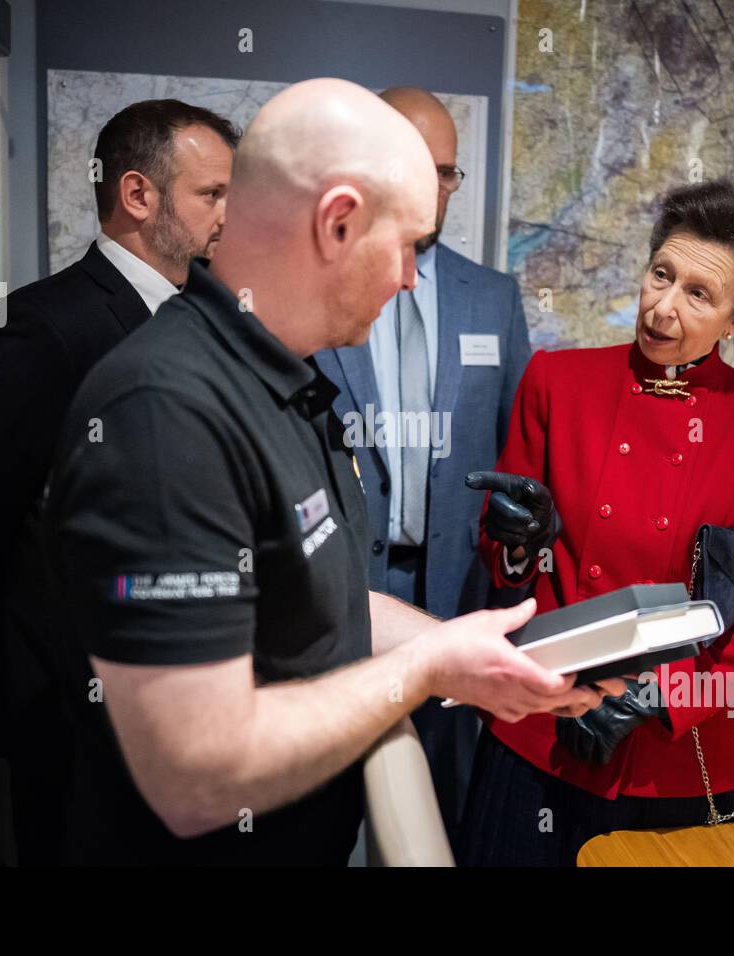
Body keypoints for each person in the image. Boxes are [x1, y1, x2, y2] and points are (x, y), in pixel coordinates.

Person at [40, 78, 603, 865]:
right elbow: (196, 771)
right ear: (338, 222)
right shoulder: (164, 412)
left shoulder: (286, 383)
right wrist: (426, 670)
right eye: (405, 245)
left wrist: (473, 656)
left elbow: (323, 599)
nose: (411, 278)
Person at [0, 99, 238, 864]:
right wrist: (36, 646)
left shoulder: (207, 318)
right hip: (70, 716)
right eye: (211, 195)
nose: (229, 215)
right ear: (136, 195)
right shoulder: (39, 327)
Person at [459, 180, 734, 866]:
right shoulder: (557, 383)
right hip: (537, 731)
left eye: (698, 294)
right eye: (661, 275)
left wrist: (666, 696)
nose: (662, 308)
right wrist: (513, 544)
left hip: (668, 755)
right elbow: (506, 562)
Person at [313, 86, 532, 845]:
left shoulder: (494, 300)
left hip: (452, 594)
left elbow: (516, 455)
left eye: (449, 172)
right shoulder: (318, 290)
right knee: (331, 805)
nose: (436, 188)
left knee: (434, 815)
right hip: (338, 594)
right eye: (420, 166)